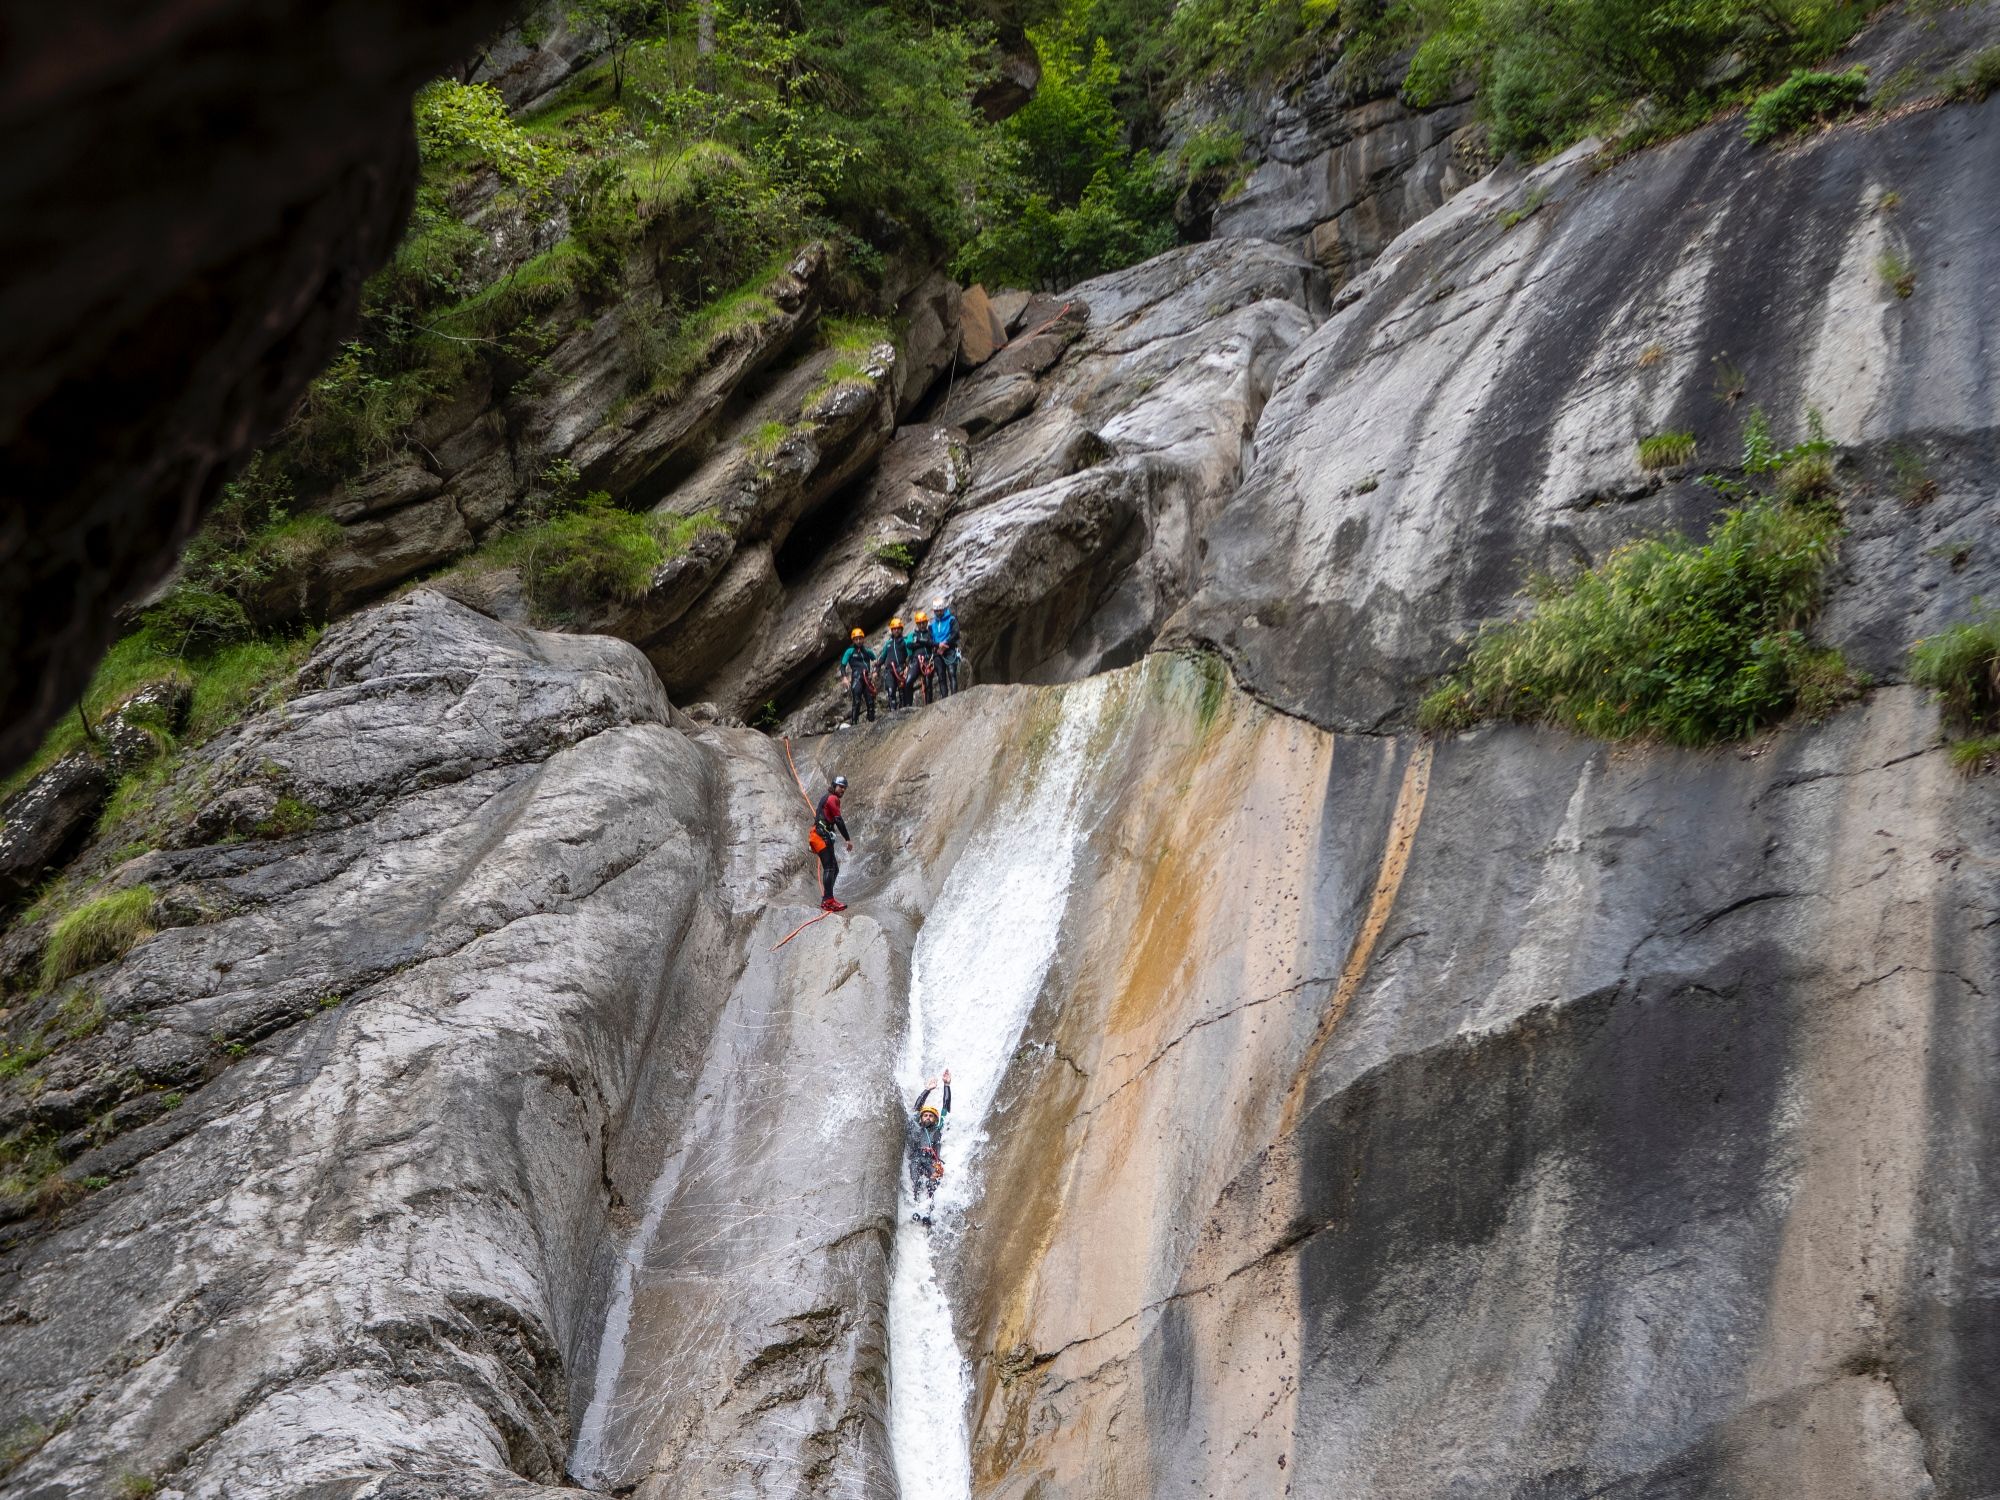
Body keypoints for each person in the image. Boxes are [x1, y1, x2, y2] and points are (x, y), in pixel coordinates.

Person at [909, 1070, 951, 1224]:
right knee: (915, 1180)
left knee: (933, 1183)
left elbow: (946, 1109)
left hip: (931, 1161)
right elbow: (916, 1108)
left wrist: (947, 1085)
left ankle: (929, 1212)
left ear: (934, 1119)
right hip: (916, 1158)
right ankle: (915, 1209)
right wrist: (927, 1090)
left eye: (930, 1116)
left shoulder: (938, 1128)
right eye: (925, 1115)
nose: (927, 1117)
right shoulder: (916, 1126)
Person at [815, 775, 852, 911]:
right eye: (841, 787)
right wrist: (847, 839)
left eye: (844, 788)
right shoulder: (832, 798)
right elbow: (838, 820)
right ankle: (828, 901)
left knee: (834, 868)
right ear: (834, 786)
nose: (843, 790)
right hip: (821, 836)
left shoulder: (829, 797)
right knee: (830, 868)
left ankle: (828, 898)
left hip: (821, 836)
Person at [840, 627, 877, 724]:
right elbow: (843, 666)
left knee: (870, 701)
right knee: (856, 701)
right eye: (856, 639)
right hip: (857, 678)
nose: (859, 641)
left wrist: (874, 672)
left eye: (860, 638)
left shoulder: (867, 651)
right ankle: (854, 724)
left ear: (863, 639)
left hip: (867, 678)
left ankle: (871, 722)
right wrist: (844, 677)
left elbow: (876, 660)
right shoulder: (850, 651)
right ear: (853, 640)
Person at [930, 597, 961, 696]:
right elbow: (930, 639)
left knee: (952, 673)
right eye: (936, 611)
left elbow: (955, 634)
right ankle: (944, 699)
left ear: (944, 609)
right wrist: (937, 646)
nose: (938, 612)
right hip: (937, 652)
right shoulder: (932, 624)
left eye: (940, 610)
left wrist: (945, 644)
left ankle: (954, 696)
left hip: (949, 649)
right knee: (941, 676)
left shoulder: (951, 620)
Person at [880, 617, 912, 711]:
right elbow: (882, 657)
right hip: (889, 671)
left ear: (901, 629)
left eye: (898, 629)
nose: (896, 631)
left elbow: (910, 654)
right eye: (894, 629)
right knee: (891, 691)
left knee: (902, 692)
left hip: (901, 669)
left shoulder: (905, 641)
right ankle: (892, 712)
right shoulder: (888, 643)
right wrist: (876, 667)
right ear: (892, 630)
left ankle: (904, 710)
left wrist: (907, 666)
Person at [909, 611, 938, 706]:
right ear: (917, 624)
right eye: (919, 623)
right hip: (917, 660)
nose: (922, 625)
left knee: (928, 682)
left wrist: (919, 642)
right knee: (909, 680)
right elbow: (909, 645)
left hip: (928, 659)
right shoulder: (913, 634)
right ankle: (907, 705)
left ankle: (929, 705)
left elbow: (933, 643)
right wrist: (924, 642)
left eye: (923, 623)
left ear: (926, 622)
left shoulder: (930, 632)